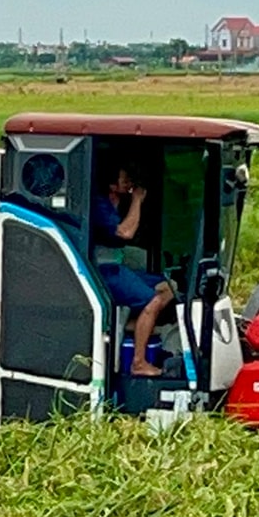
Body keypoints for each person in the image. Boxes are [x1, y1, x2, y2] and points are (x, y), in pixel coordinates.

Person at [91, 161, 176, 378]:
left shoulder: (116, 201)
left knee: (166, 288)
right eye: (124, 179)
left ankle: (135, 325)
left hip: (116, 265)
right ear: (111, 184)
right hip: (103, 269)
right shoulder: (100, 205)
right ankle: (139, 362)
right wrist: (137, 200)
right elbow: (125, 233)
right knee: (152, 300)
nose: (129, 183)